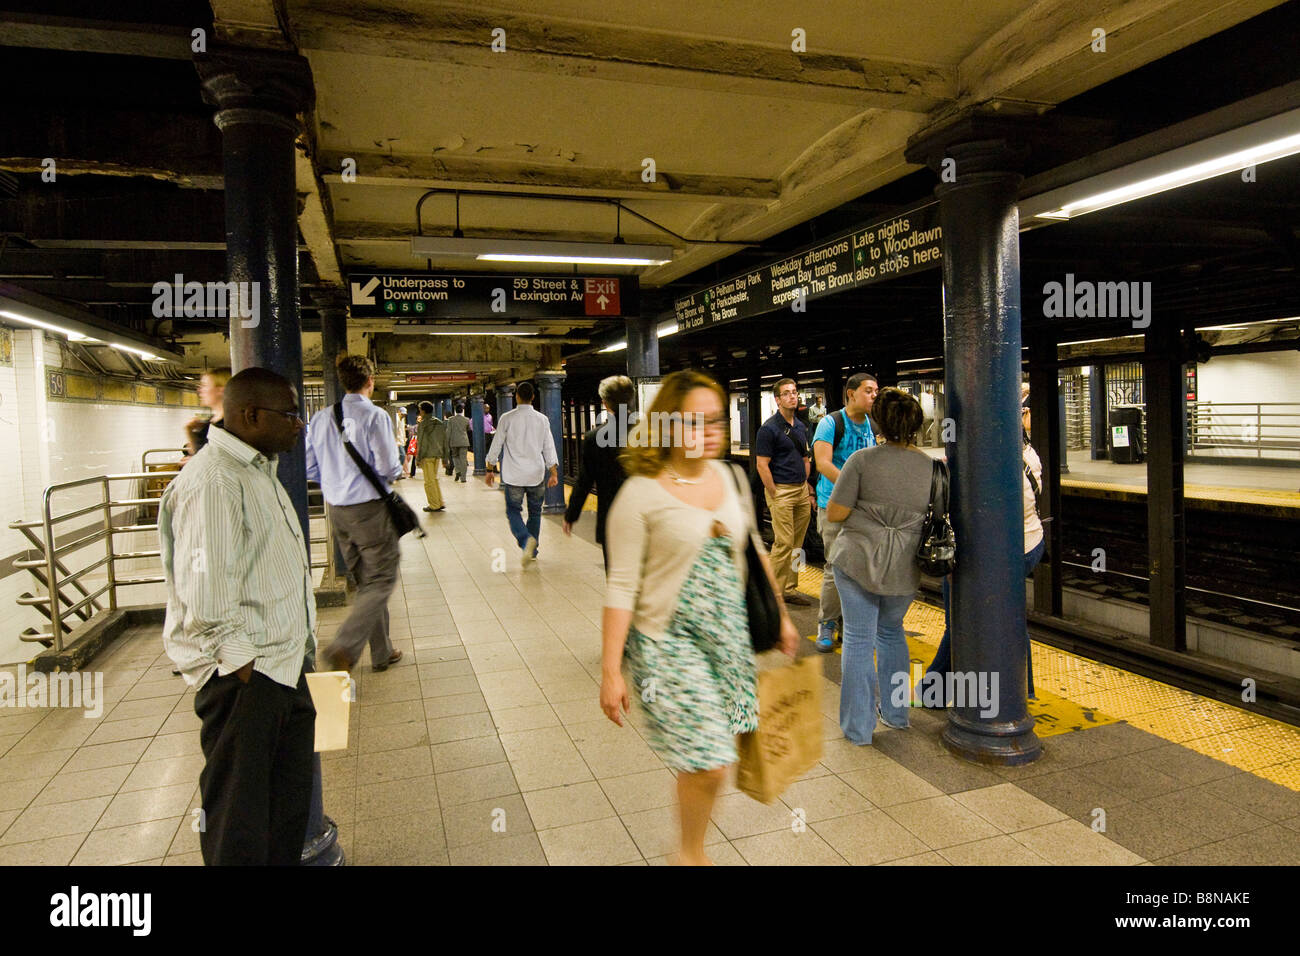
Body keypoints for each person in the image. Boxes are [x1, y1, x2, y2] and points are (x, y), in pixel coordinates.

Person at [600, 370, 799, 866]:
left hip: (728, 638)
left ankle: (692, 848)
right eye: (693, 421)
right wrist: (609, 671)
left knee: (719, 753)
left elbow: (751, 548)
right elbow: (621, 586)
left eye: (715, 420)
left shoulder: (729, 477)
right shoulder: (640, 494)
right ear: (665, 424)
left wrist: (781, 619)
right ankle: (689, 856)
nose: (707, 431)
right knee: (710, 761)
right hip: (668, 643)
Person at [159, 367, 315, 865]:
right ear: (250, 414)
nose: (298, 424)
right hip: (248, 679)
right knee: (239, 819)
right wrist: (247, 670)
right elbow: (205, 596)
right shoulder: (214, 481)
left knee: (283, 809)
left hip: (283, 668)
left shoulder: (257, 468)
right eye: (290, 414)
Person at [825, 387, 932, 745]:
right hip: (903, 565)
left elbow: (835, 513)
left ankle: (858, 729)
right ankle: (897, 715)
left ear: (878, 422)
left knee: (857, 639)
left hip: (856, 560)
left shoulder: (862, 461)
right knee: (891, 632)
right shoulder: (932, 468)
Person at [923, 390, 1046, 699]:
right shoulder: (1028, 454)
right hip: (1031, 544)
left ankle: (932, 692)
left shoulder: (989, 467)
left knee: (960, 620)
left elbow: (984, 518)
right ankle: (1022, 690)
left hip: (1000, 553)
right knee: (1009, 616)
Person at [305, 353, 404, 673]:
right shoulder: (375, 417)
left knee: (366, 583)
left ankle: (382, 651)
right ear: (370, 382)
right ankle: (344, 646)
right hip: (370, 510)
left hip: (337, 511)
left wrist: (336, 482)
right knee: (381, 579)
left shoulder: (321, 418)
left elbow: (309, 467)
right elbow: (390, 467)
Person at [811, 373, 879, 651]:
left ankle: (854, 624)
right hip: (833, 506)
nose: (874, 395)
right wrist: (852, 487)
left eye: (876, 391)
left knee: (861, 569)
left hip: (861, 509)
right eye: (868, 391)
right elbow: (822, 463)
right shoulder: (830, 423)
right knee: (835, 567)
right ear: (851, 393)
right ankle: (827, 622)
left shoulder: (870, 426)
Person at [562, 375, 634, 571]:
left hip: (613, 520)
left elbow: (585, 481)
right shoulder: (650, 433)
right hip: (648, 520)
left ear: (605, 403)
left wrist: (571, 515)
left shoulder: (594, 438)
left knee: (618, 577)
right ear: (631, 398)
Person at [484, 381, 559, 567]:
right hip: (536, 474)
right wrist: (554, 472)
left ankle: (526, 541)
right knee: (535, 513)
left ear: (516, 396)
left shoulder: (506, 418)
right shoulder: (542, 419)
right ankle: (532, 551)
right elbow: (548, 446)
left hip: (514, 476)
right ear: (533, 397)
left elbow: (497, 444)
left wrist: (489, 469)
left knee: (513, 511)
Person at [754, 378, 814, 606]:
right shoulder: (769, 429)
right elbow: (762, 465)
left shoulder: (800, 426)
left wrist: (807, 486)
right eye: (787, 393)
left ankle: (790, 588)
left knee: (798, 544)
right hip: (781, 491)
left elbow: (804, 457)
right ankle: (771, 590)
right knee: (784, 542)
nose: (792, 396)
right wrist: (774, 492)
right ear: (777, 399)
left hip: (800, 490)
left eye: (795, 392)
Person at [183, 367, 231, 456]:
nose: (199, 391)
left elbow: (207, 457)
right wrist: (189, 431)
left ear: (221, 390)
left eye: (204, 385)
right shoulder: (210, 422)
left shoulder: (228, 426)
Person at [415, 401, 449, 513]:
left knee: (429, 482)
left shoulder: (423, 424)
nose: (420, 412)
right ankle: (440, 502)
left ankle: (434, 505)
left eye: (420, 410)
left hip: (427, 455)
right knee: (434, 479)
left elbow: (421, 443)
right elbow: (445, 441)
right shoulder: (439, 423)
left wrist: (418, 458)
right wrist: (445, 458)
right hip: (437, 455)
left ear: (423, 411)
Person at [446, 404, 471, 482]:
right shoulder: (466, 419)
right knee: (463, 459)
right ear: (462, 410)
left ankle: (458, 471)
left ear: (455, 411)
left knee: (455, 457)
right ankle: (463, 478)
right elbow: (469, 429)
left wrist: (447, 442)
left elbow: (448, 432)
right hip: (464, 441)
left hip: (454, 442)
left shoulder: (451, 420)